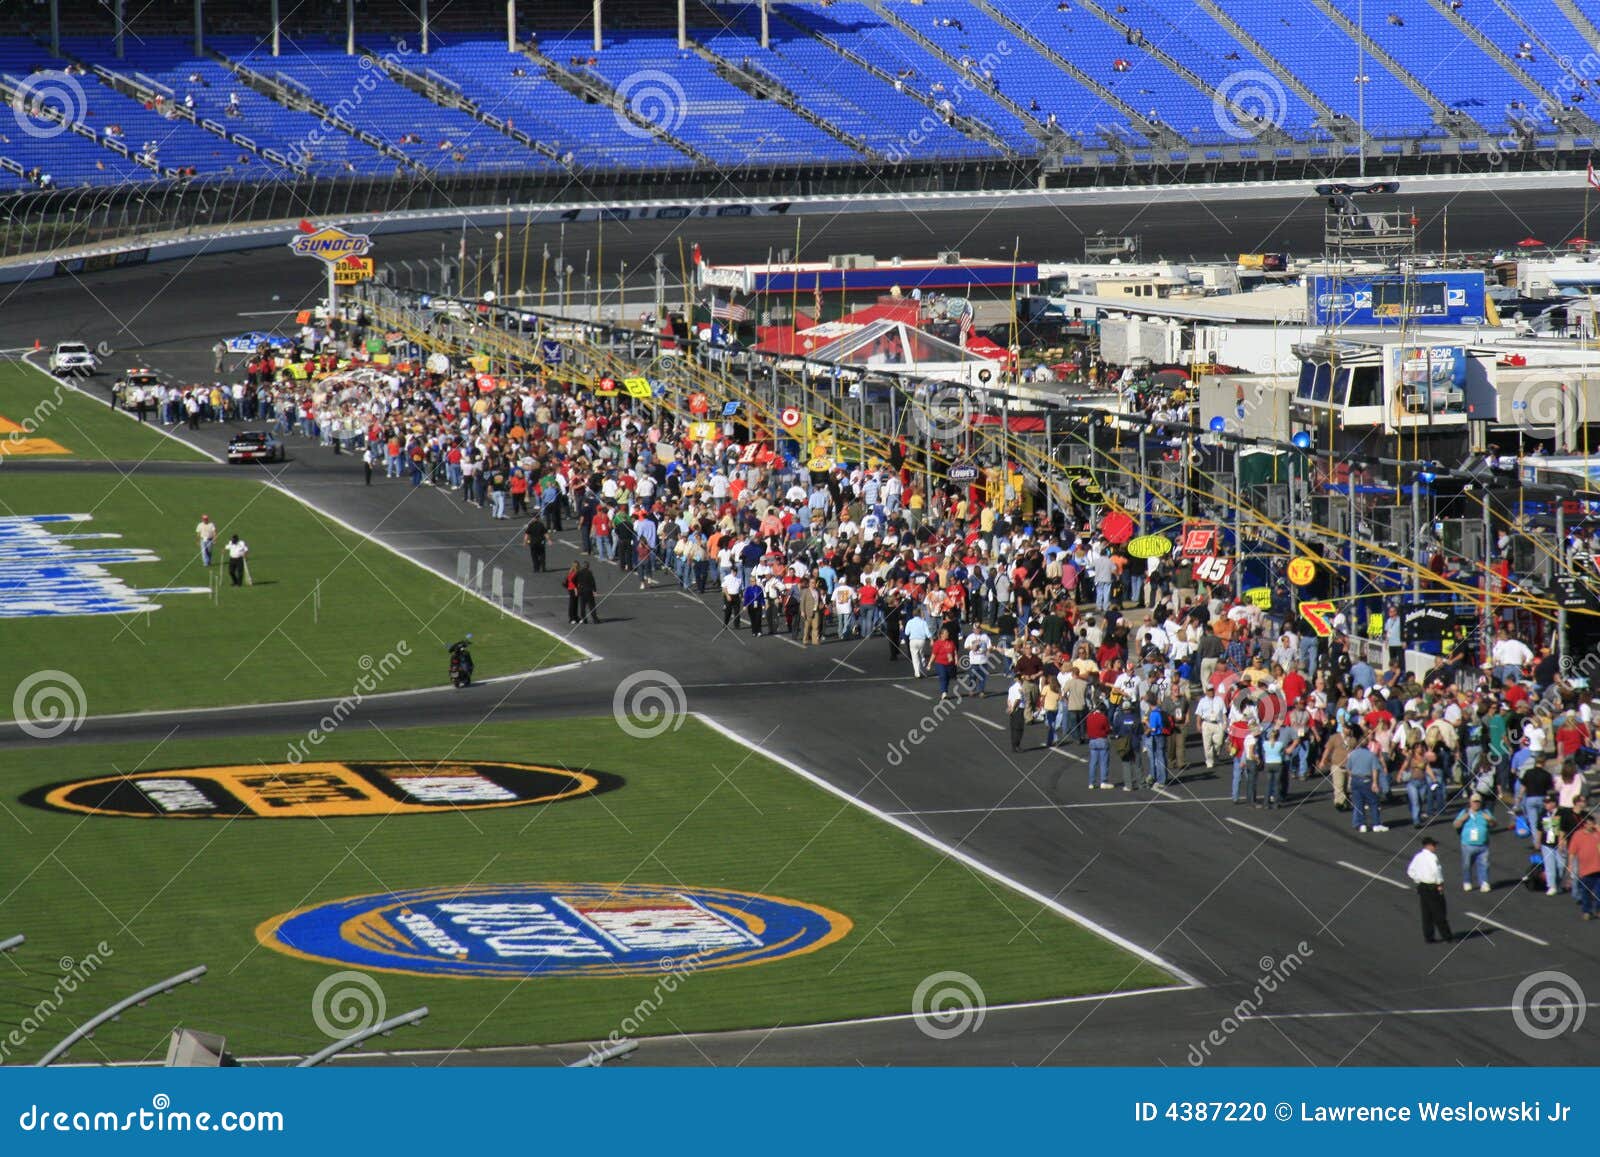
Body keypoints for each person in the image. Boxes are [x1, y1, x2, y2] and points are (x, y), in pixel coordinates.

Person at [1406, 837, 1454, 943]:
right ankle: (1447, 936)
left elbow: (1410, 871)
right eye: (1434, 845)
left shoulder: (1417, 856)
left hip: (1422, 887)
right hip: (1433, 887)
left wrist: (1417, 879)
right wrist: (1440, 883)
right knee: (1439, 912)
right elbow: (1437, 871)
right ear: (1429, 845)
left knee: (1426, 913)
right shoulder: (1432, 857)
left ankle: (1429, 937)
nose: (1435, 847)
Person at [1452, 794, 1494, 893]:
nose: (1476, 804)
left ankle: (1484, 882)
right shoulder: (1465, 812)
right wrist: (1463, 818)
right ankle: (1467, 881)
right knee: (1467, 864)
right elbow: (1455, 825)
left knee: (1484, 864)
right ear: (1470, 802)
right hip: (1468, 844)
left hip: (1483, 844)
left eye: (1478, 802)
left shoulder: (1485, 812)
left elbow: (1494, 824)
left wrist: (1490, 819)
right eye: (1474, 802)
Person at [1085, 696, 1112, 789]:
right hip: (1102, 740)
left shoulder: (1089, 717)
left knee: (1093, 763)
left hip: (1092, 740)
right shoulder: (1103, 717)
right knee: (1104, 762)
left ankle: (1091, 782)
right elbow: (1108, 729)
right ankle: (1103, 781)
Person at [931, 630, 959, 701]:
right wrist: (929, 663)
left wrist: (956, 660)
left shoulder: (951, 642)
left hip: (950, 664)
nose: (947, 634)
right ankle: (944, 693)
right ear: (941, 635)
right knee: (943, 676)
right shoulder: (937, 643)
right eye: (946, 633)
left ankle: (945, 690)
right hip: (940, 663)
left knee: (947, 677)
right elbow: (934, 654)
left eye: (948, 633)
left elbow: (955, 652)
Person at [1006, 678, 1028, 752]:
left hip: (1012, 708)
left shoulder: (1011, 687)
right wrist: (1013, 708)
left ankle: (1013, 746)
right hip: (1018, 709)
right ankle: (1017, 745)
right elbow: (1018, 699)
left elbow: (1009, 699)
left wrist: (1009, 707)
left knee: (1013, 727)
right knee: (1019, 728)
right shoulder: (1019, 687)